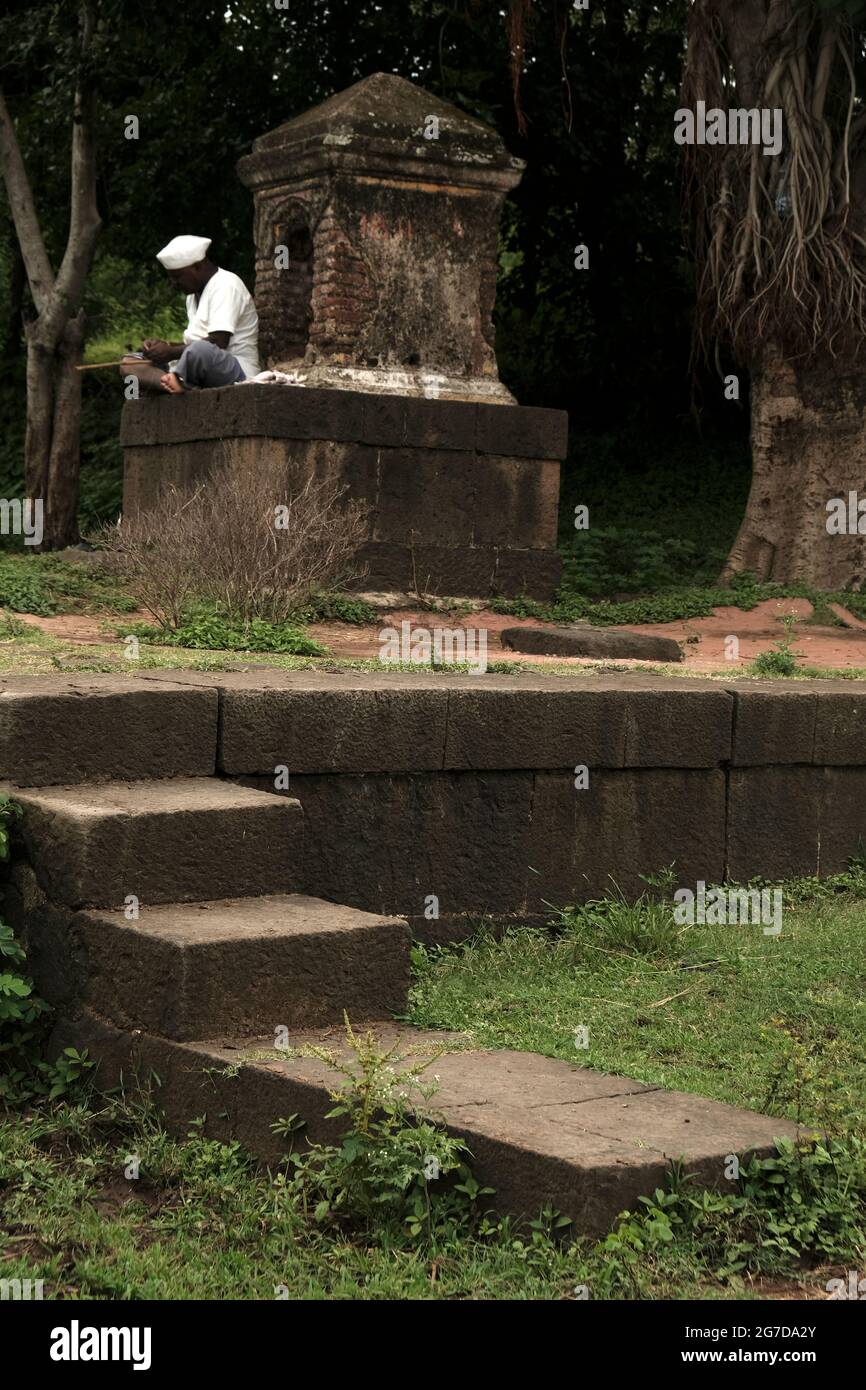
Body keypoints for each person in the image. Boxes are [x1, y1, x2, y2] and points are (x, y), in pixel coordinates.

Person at [120, 235, 260, 393]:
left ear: (197, 267)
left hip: (235, 370)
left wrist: (170, 352)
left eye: (177, 277)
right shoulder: (192, 297)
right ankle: (172, 384)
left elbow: (218, 342)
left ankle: (180, 382)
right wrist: (163, 347)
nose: (174, 284)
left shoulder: (226, 285)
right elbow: (194, 343)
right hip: (194, 364)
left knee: (200, 350)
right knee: (130, 362)